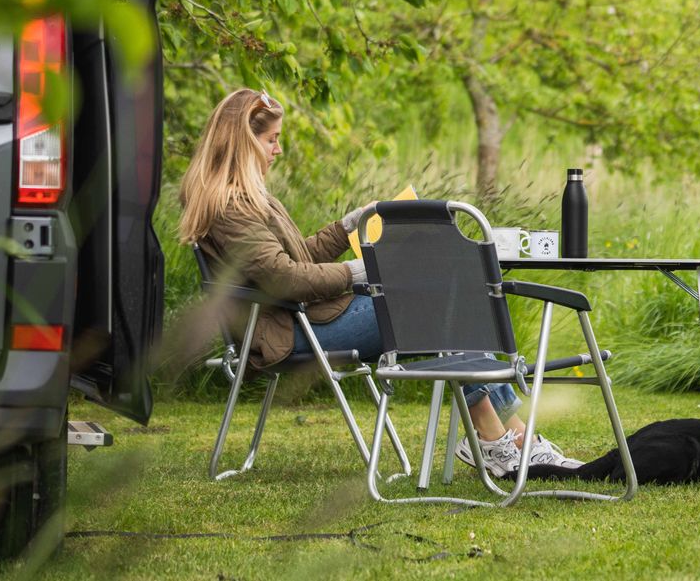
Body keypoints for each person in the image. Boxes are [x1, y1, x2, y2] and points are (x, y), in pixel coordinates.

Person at [177, 88, 581, 478]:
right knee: (436, 303)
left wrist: (350, 223)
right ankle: (498, 439)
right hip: (293, 331)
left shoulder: (249, 199)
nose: (278, 150)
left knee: (443, 296)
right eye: (271, 140)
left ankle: (507, 434)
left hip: (307, 319)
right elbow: (285, 279)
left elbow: (298, 255)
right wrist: (362, 271)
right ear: (243, 143)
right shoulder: (232, 208)